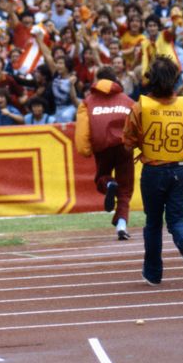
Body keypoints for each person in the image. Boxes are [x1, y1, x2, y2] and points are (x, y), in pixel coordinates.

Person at [123, 56, 183, 286]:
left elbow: (128, 143)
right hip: (181, 170)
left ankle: (153, 273)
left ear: (150, 79)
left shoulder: (140, 107)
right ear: (175, 79)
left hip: (153, 171)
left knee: (153, 223)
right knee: (177, 220)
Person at [76, 67, 136, 240]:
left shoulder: (88, 101)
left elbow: (82, 128)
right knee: (125, 190)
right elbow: (137, 122)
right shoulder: (127, 100)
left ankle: (109, 184)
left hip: (102, 147)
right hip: (124, 146)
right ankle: (121, 225)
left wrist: (85, 149)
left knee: (101, 177)